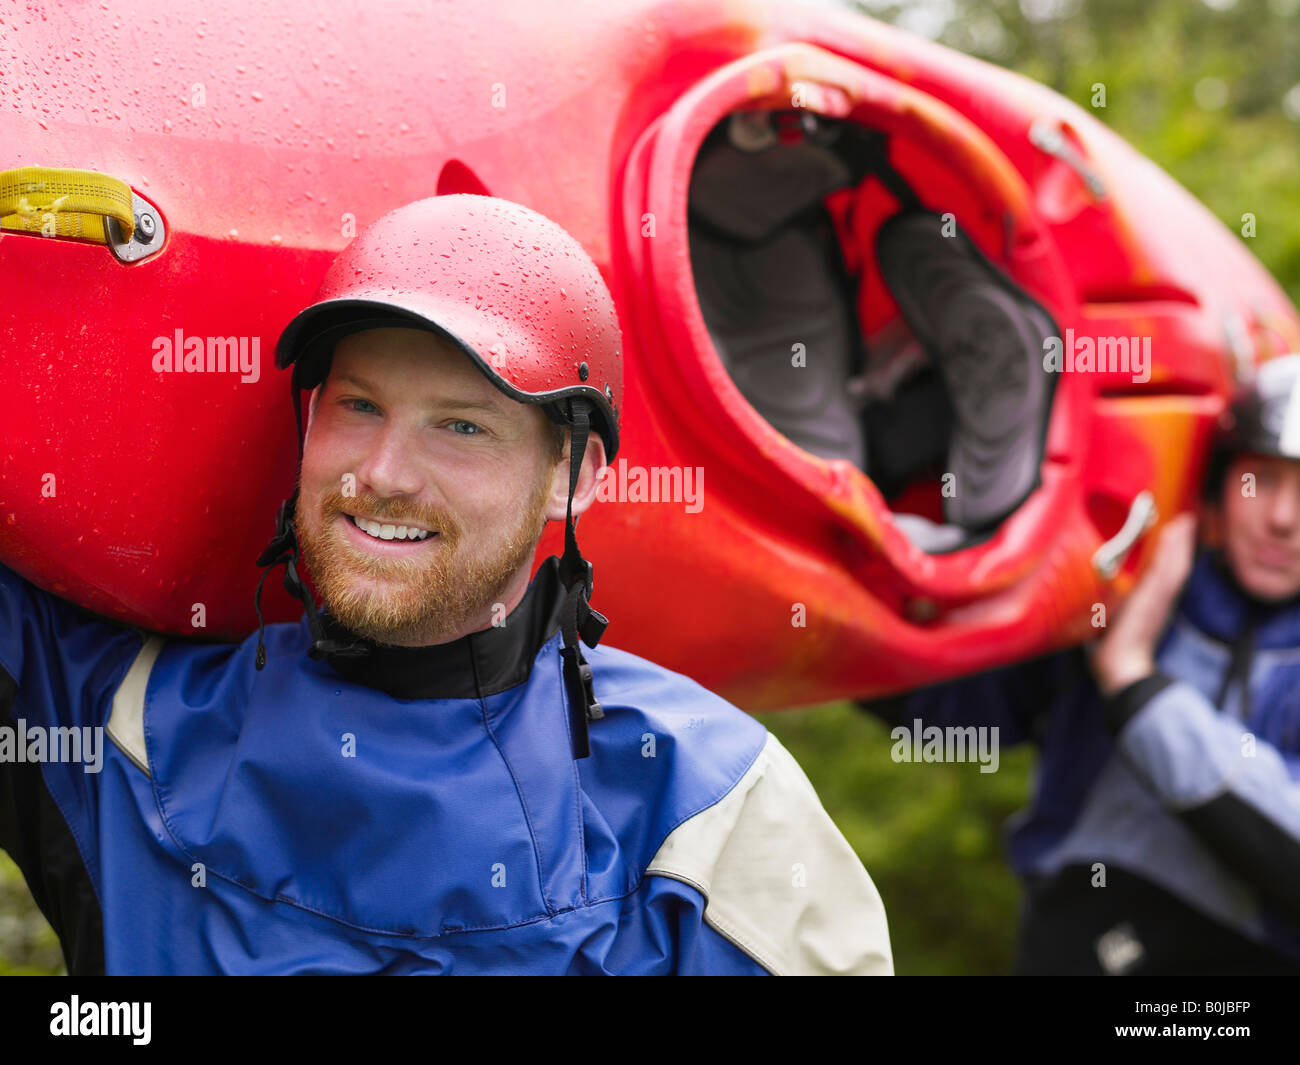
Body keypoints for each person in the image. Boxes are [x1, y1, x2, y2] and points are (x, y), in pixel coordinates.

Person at [0, 194, 892, 975]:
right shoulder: (124, 723)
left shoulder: (708, 811)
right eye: (357, 406)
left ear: (572, 475)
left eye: (460, 427)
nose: (384, 473)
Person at [862, 353, 1300, 974]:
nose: (1282, 518)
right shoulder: (1118, 585)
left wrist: (1135, 685)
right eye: (1262, 479)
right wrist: (883, 537)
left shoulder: (1131, 635)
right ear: (1220, 484)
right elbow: (949, 712)